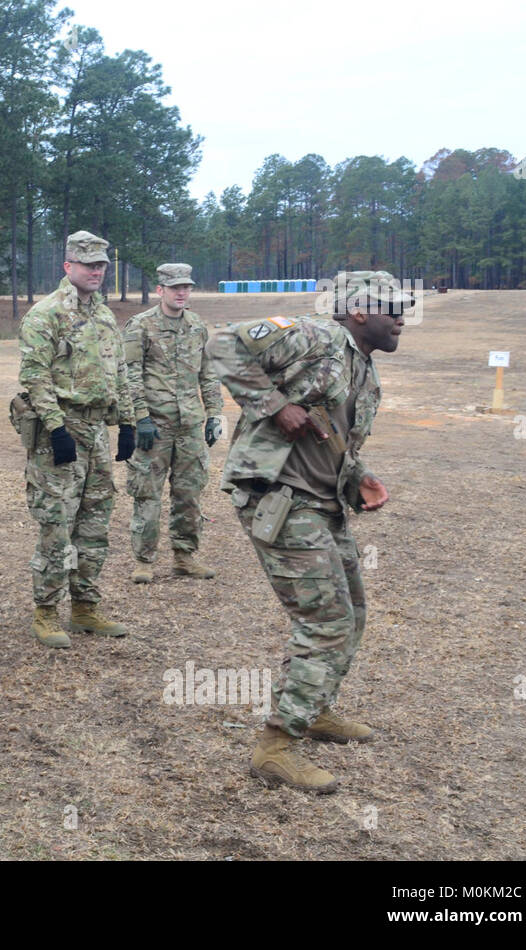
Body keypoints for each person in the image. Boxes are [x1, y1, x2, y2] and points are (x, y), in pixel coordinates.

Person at [207, 270, 408, 793]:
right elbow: (221, 344)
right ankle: (276, 745)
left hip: (324, 505)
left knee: (352, 614)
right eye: (394, 307)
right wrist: (275, 405)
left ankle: (314, 709)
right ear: (360, 309)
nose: (404, 318)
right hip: (279, 500)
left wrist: (358, 475)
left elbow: (336, 441)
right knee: (328, 622)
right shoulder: (314, 335)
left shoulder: (364, 370)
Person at [14, 230, 134, 649]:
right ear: (68, 267)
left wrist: (129, 422)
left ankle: (84, 606)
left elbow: (119, 370)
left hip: (98, 431)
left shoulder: (103, 315)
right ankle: (46, 611)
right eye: (89, 265)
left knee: (95, 522)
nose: (97, 271)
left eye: (102, 265)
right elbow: (34, 376)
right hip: (60, 433)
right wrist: (56, 426)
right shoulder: (46, 314)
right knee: (56, 525)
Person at [122, 262, 223, 583]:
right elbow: (130, 376)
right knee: (147, 494)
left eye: (186, 287)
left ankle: (184, 556)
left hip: (190, 426)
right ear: (160, 290)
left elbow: (208, 373)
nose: (182, 292)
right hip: (155, 427)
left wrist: (214, 414)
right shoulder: (141, 326)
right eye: (175, 287)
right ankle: (144, 561)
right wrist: (141, 418)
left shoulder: (197, 326)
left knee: (189, 493)